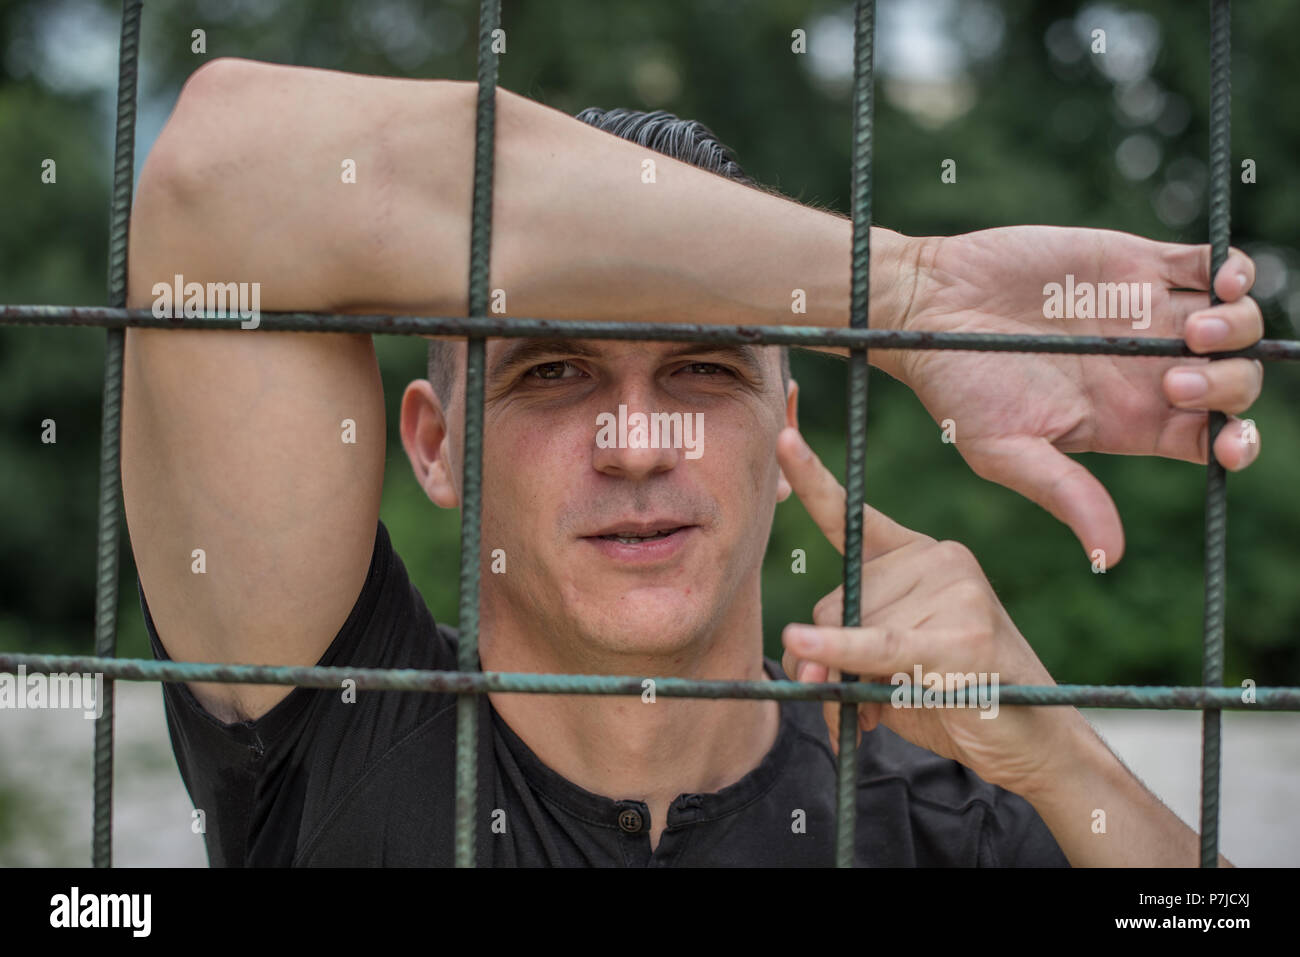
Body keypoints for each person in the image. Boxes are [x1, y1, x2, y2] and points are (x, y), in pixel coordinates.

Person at [121, 58, 1263, 866]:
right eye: (554, 374)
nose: (633, 446)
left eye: (703, 372)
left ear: (784, 438)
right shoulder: (336, 721)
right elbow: (223, 167)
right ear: (435, 444)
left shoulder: (940, 821)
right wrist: (910, 290)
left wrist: (1060, 754)